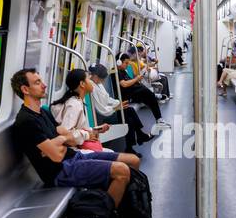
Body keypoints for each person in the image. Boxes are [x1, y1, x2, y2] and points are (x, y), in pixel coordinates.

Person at [10, 68, 140, 205]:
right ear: (25, 89)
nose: (44, 85)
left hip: (74, 157)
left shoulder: (42, 112)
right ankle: (107, 216)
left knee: (132, 160)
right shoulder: (26, 121)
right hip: (60, 171)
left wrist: (61, 141)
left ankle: (127, 206)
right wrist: (63, 140)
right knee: (122, 170)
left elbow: (67, 138)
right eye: (37, 82)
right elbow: (57, 155)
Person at [88, 62, 152, 147]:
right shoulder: (92, 88)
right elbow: (101, 110)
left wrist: (118, 103)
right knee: (128, 115)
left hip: (110, 110)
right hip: (104, 116)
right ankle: (139, 137)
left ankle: (137, 138)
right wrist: (115, 109)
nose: (103, 81)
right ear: (95, 76)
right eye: (102, 79)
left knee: (129, 113)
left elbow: (107, 98)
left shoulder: (98, 83)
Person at [117, 52, 165, 128]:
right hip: (130, 95)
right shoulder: (116, 72)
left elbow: (130, 81)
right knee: (149, 95)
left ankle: (158, 118)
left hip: (135, 91)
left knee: (148, 95)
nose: (127, 65)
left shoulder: (123, 71)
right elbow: (124, 84)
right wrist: (136, 79)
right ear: (119, 62)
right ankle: (159, 118)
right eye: (126, 63)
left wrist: (137, 79)